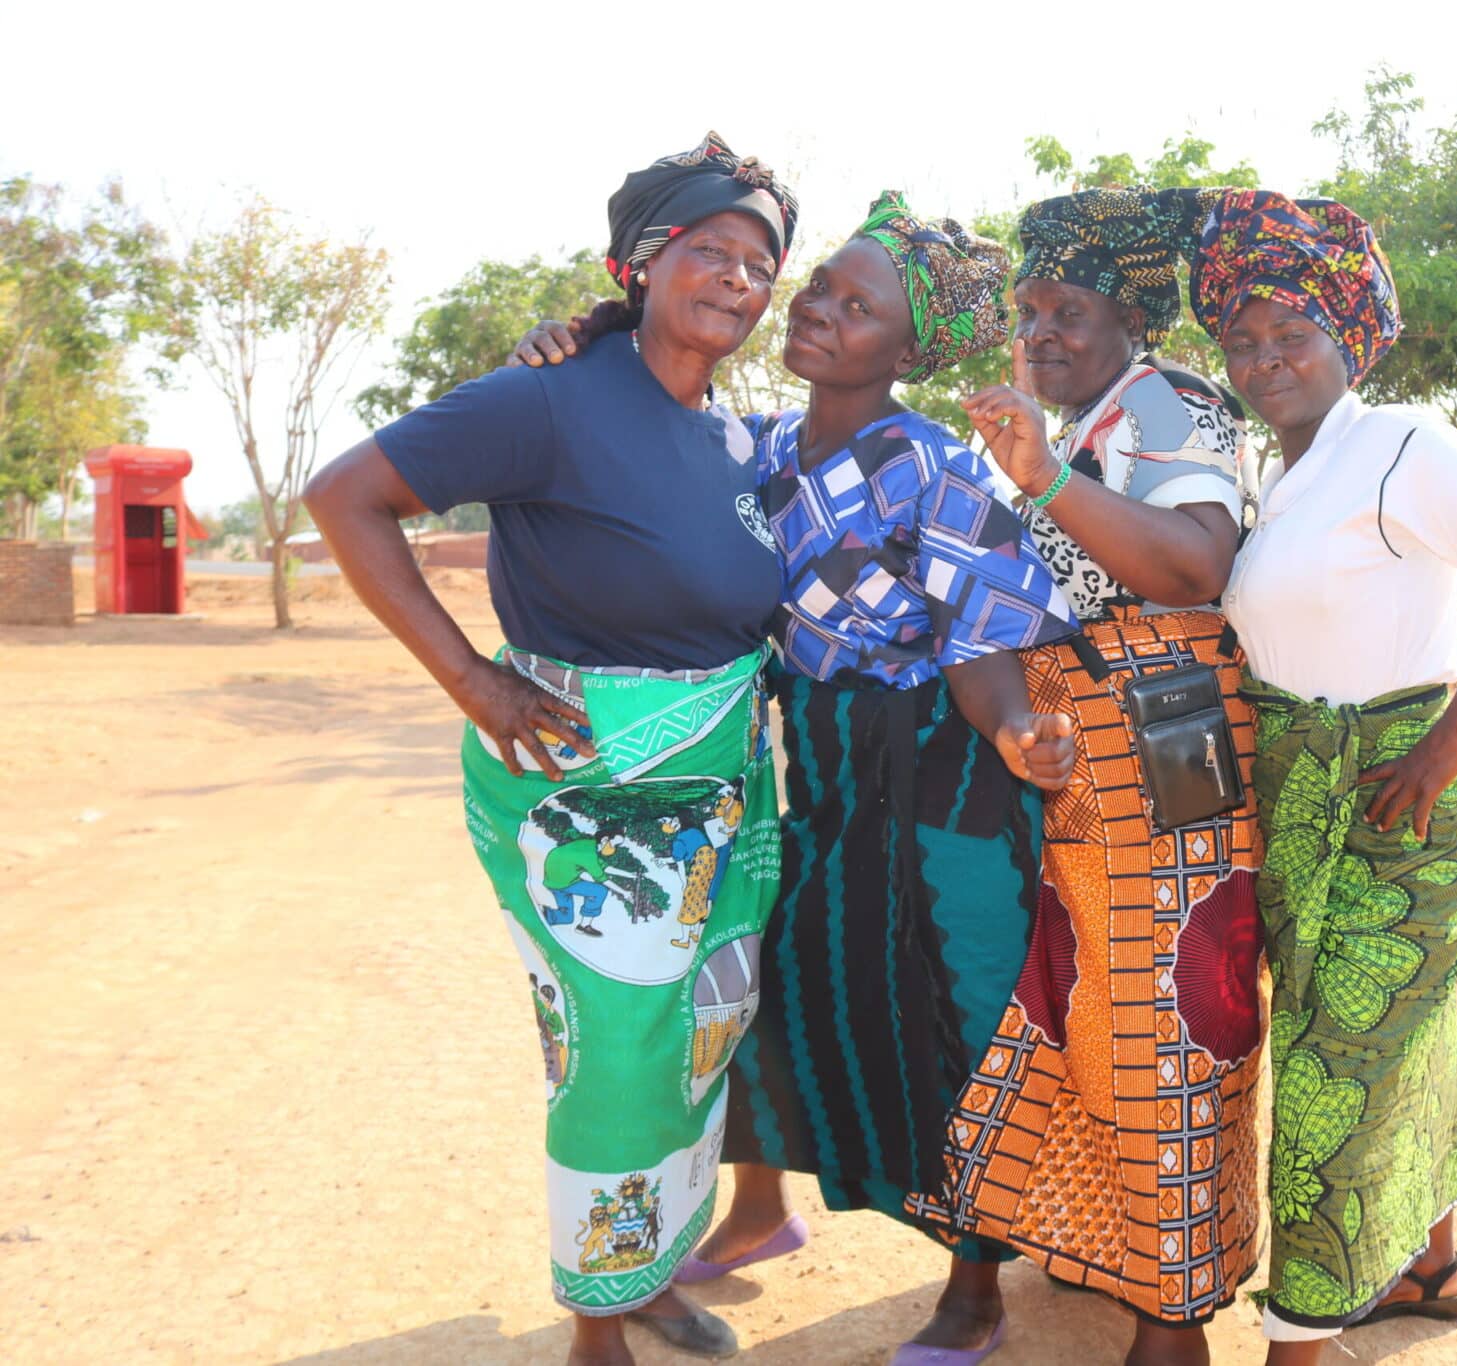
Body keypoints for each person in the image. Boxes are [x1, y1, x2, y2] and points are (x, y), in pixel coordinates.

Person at [511, 192, 1080, 1366]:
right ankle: (763, 1209)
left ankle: (974, 1285)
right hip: (808, 761)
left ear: (909, 350)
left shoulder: (938, 468)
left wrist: (1020, 729)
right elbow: (651, 382)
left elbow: (981, 643)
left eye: (855, 306)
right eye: (818, 286)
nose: (817, 311)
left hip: (940, 775)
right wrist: (587, 327)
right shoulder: (754, 446)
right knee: (769, 985)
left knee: (958, 1013)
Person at [304, 132, 799, 1366]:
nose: (739, 279)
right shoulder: (548, 398)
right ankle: (596, 1319)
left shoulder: (734, 440)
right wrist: (472, 678)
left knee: (700, 1032)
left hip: (722, 793)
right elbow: (345, 496)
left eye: (759, 263)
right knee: (614, 1052)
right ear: (638, 263)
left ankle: (647, 1264)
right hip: (591, 806)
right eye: (711, 251)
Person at [1178, 187, 1457, 1361]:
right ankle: (1430, 1265)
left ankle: (1296, 1343)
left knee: (1328, 1079)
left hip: (1400, 802)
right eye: (1242, 342)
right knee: (1393, 1045)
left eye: (1288, 336)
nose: (1263, 361)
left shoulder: (1398, 439)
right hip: (1297, 806)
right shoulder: (1280, 473)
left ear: (1345, 337)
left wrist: (1450, 739)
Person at [903, 187, 1268, 1366]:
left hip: (1167, 747)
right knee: (1054, 1011)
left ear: (1130, 323)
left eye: (1070, 309)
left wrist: (1047, 480)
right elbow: (984, 614)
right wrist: (1016, 723)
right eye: (1029, 311)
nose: (1043, 332)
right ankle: (1035, 1263)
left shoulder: (1168, 403)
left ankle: (1170, 1323)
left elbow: (1193, 564)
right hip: (1062, 759)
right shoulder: (1044, 432)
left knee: (1168, 1014)